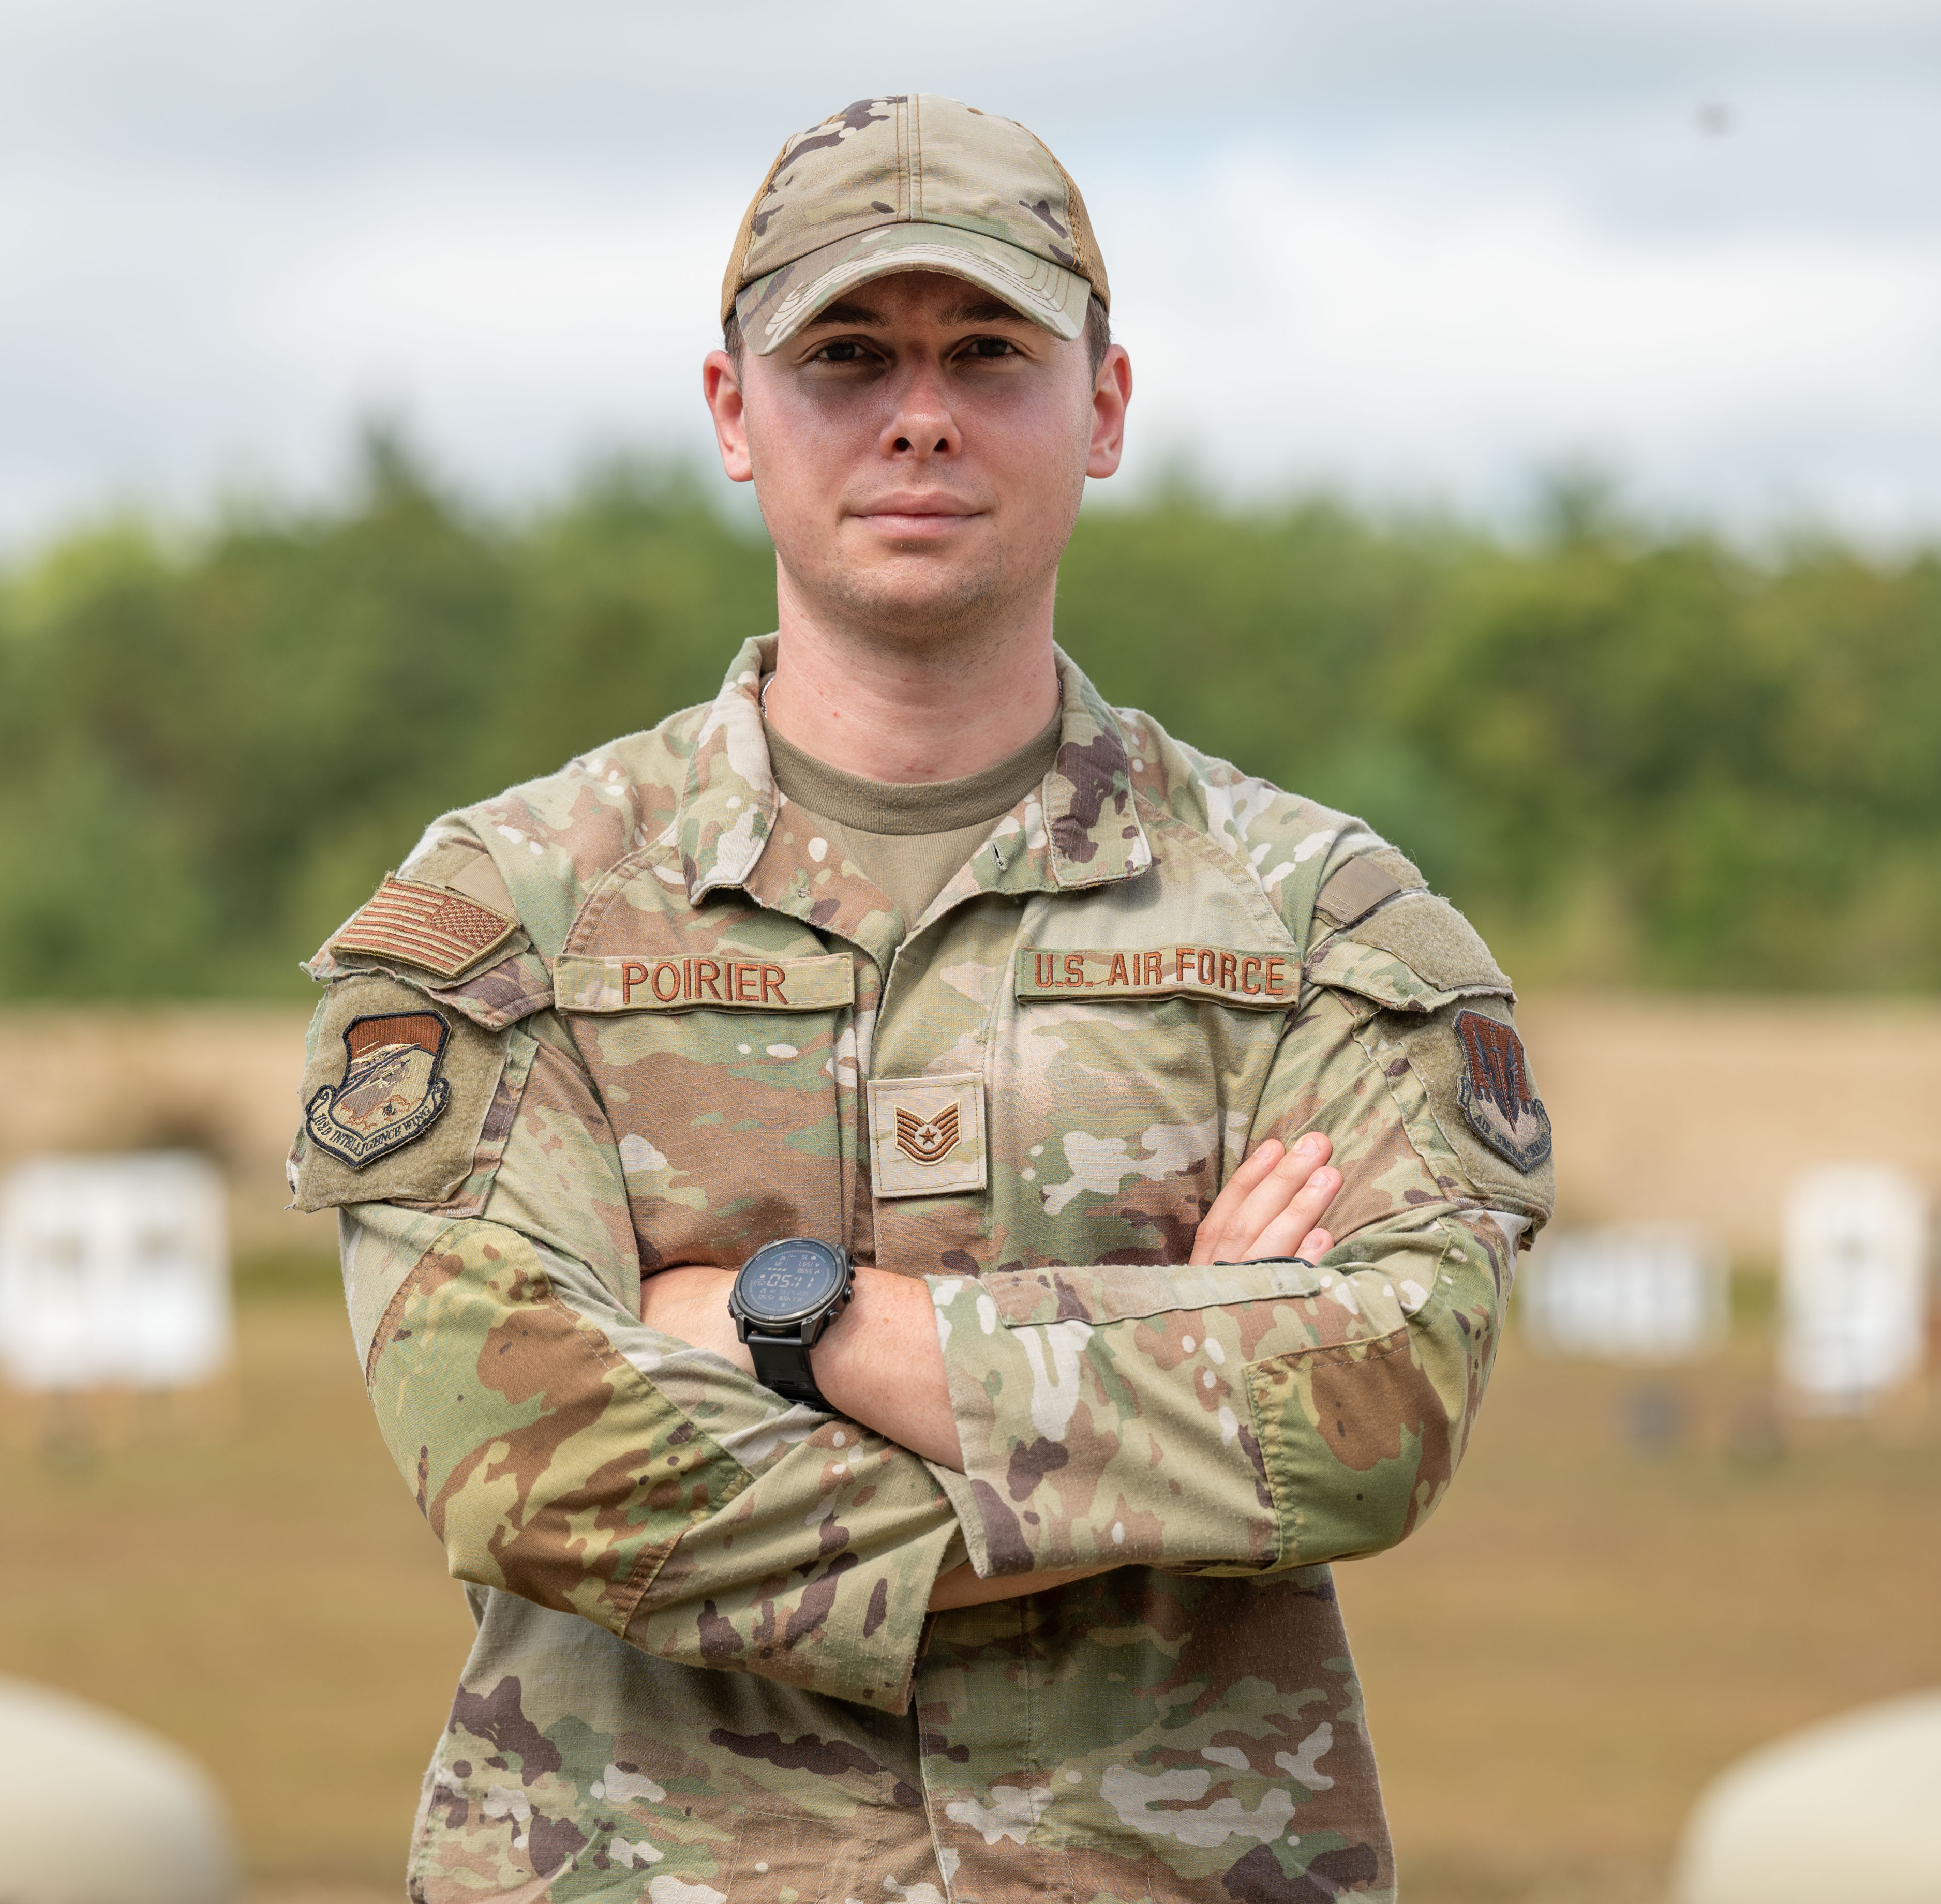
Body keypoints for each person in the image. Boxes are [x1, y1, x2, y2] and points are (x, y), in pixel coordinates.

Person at [290, 93, 1555, 1904]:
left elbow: (1368, 1415)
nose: (919, 412)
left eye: (987, 351)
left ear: (1102, 407)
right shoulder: (513, 917)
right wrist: (1153, 1380)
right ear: (734, 414)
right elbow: (534, 1463)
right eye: (845, 355)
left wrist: (794, 1326)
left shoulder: (1319, 920)